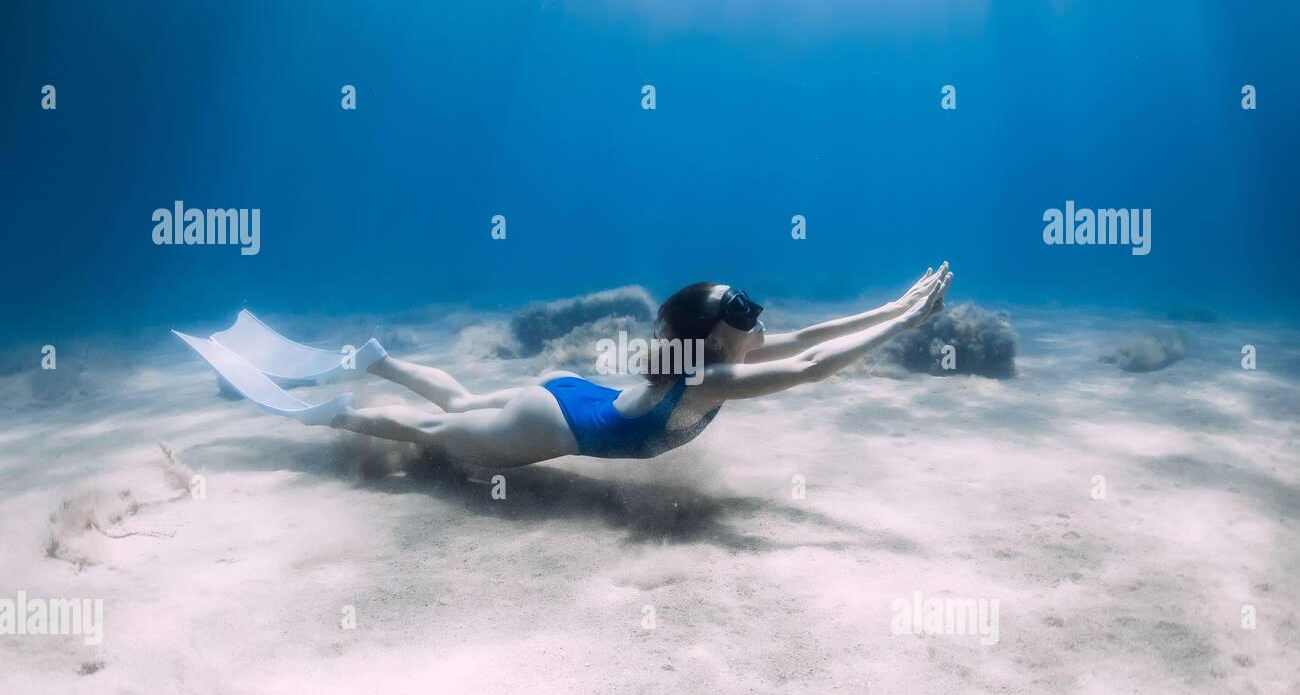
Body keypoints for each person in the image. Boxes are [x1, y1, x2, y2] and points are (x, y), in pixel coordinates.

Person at [331, 264, 953, 467]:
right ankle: (332, 415)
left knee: (460, 405)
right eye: (741, 311)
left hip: (564, 396)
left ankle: (376, 362)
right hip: (551, 426)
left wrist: (896, 304)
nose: (759, 318)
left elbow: (815, 337)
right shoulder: (712, 378)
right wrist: (902, 324)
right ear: (716, 333)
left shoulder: (715, 358)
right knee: (434, 433)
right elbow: (814, 363)